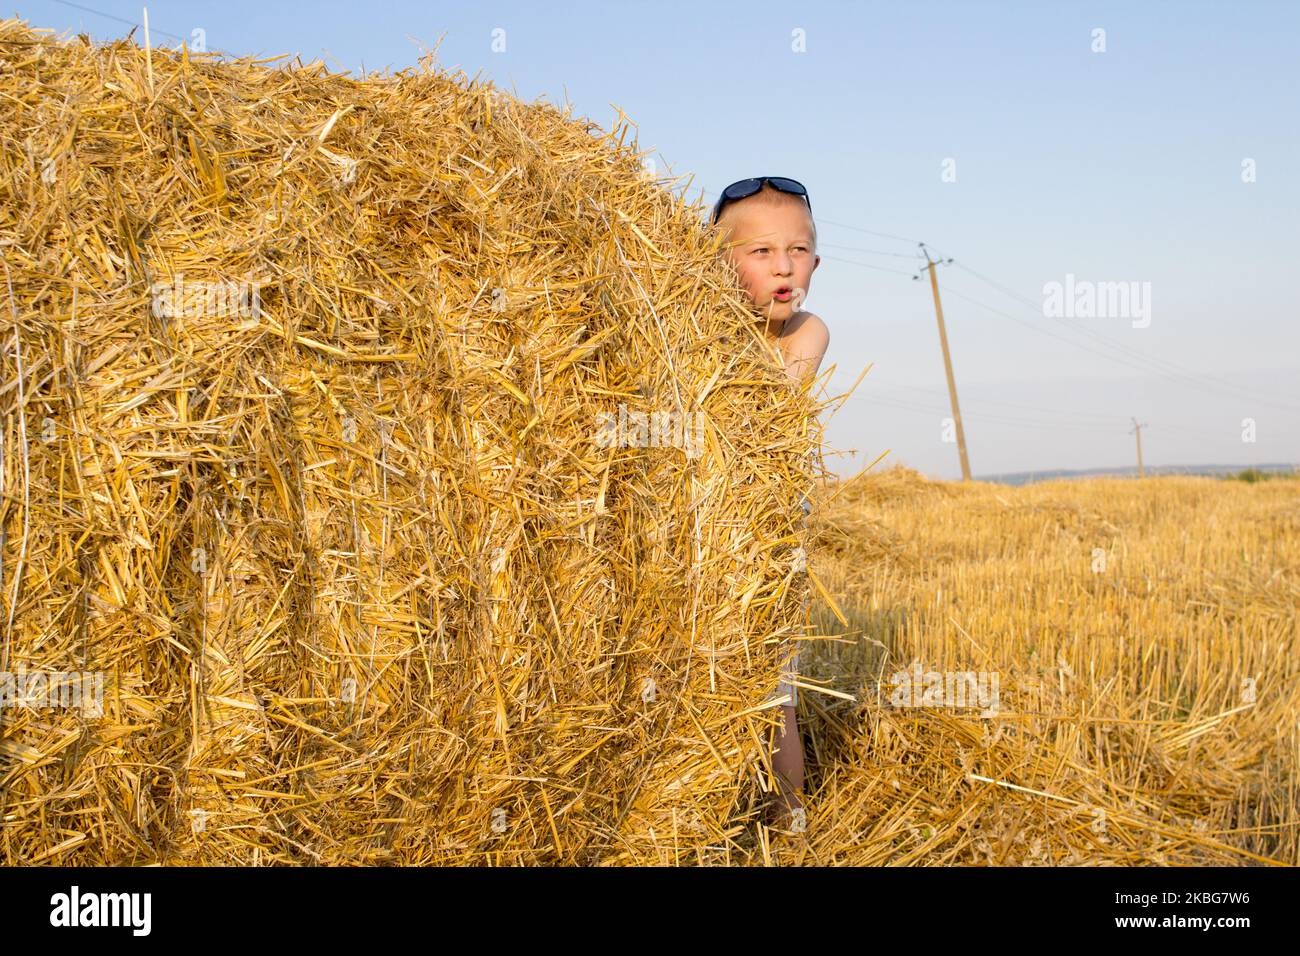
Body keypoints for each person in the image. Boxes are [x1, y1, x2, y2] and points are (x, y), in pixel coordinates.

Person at [711, 177, 830, 831]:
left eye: (798, 251)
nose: (783, 266)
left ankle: (789, 814)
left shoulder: (805, 333)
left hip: (764, 539)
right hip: (701, 537)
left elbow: (762, 413)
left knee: (769, 684)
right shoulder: (693, 332)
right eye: (759, 252)